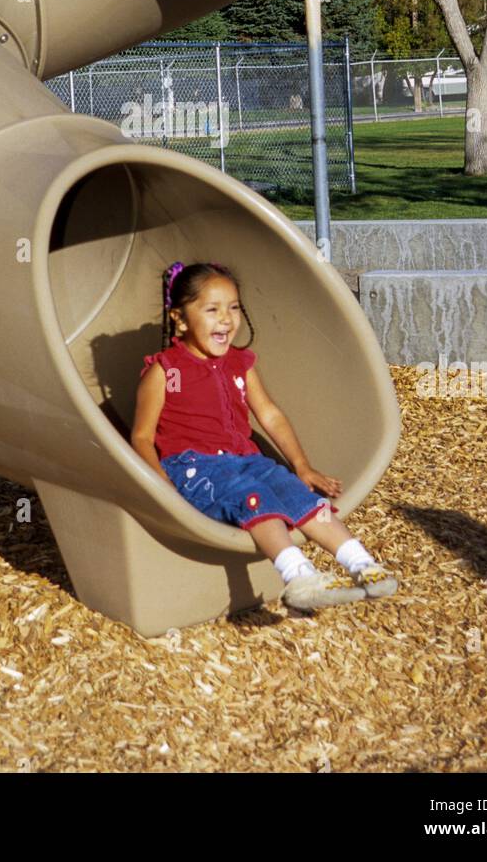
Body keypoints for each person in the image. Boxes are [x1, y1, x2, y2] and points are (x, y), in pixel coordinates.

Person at [131, 260, 398, 612]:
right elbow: (142, 437)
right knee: (255, 497)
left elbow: (269, 414)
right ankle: (298, 575)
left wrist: (302, 467)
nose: (226, 319)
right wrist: (162, 485)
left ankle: (362, 564)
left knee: (299, 496)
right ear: (179, 319)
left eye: (234, 308)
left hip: (246, 460)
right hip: (195, 468)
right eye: (212, 310)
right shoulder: (166, 371)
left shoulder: (240, 363)